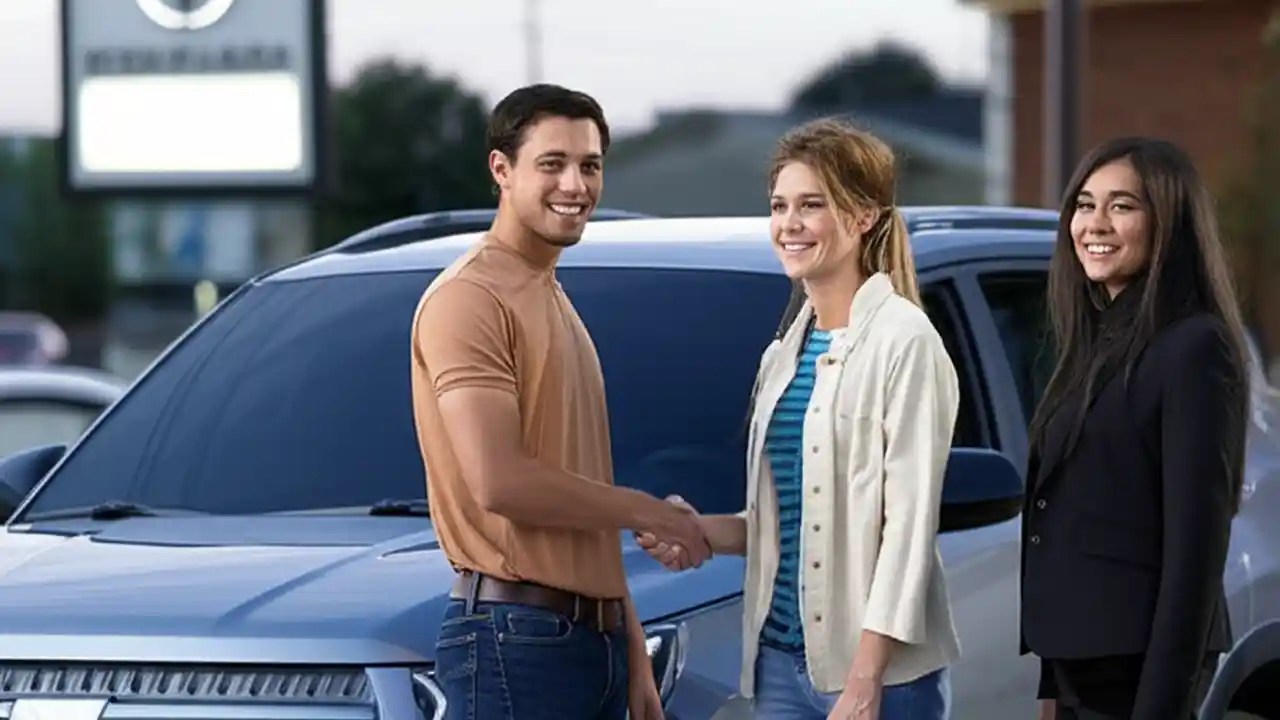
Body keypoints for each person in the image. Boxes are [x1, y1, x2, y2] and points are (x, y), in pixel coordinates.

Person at [637, 118, 961, 719]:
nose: (789, 223)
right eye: (779, 205)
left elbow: (907, 535)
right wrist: (697, 530)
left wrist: (865, 683)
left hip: (878, 679)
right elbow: (788, 523)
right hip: (780, 666)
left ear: (864, 216)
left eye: (812, 205)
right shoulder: (784, 353)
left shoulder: (906, 341)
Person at [409, 83, 711, 720]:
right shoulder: (471, 299)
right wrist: (648, 512)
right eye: (552, 164)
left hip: (587, 644)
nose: (575, 185)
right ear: (501, 169)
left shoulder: (552, 297)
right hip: (512, 642)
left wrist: (631, 659)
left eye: (590, 165)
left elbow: (582, 500)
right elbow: (502, 482)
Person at [1020, 137, 1250, 720]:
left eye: (1122, 206)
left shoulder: (1195, 348)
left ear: (1168, 223)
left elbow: (1194, 553)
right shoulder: (1095, 339)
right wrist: (1051, 682)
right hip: (1079, 667)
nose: (1094, 224)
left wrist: (1162, 704)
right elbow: (1061, 514)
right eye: (1084, 204)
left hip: (1138, 671)